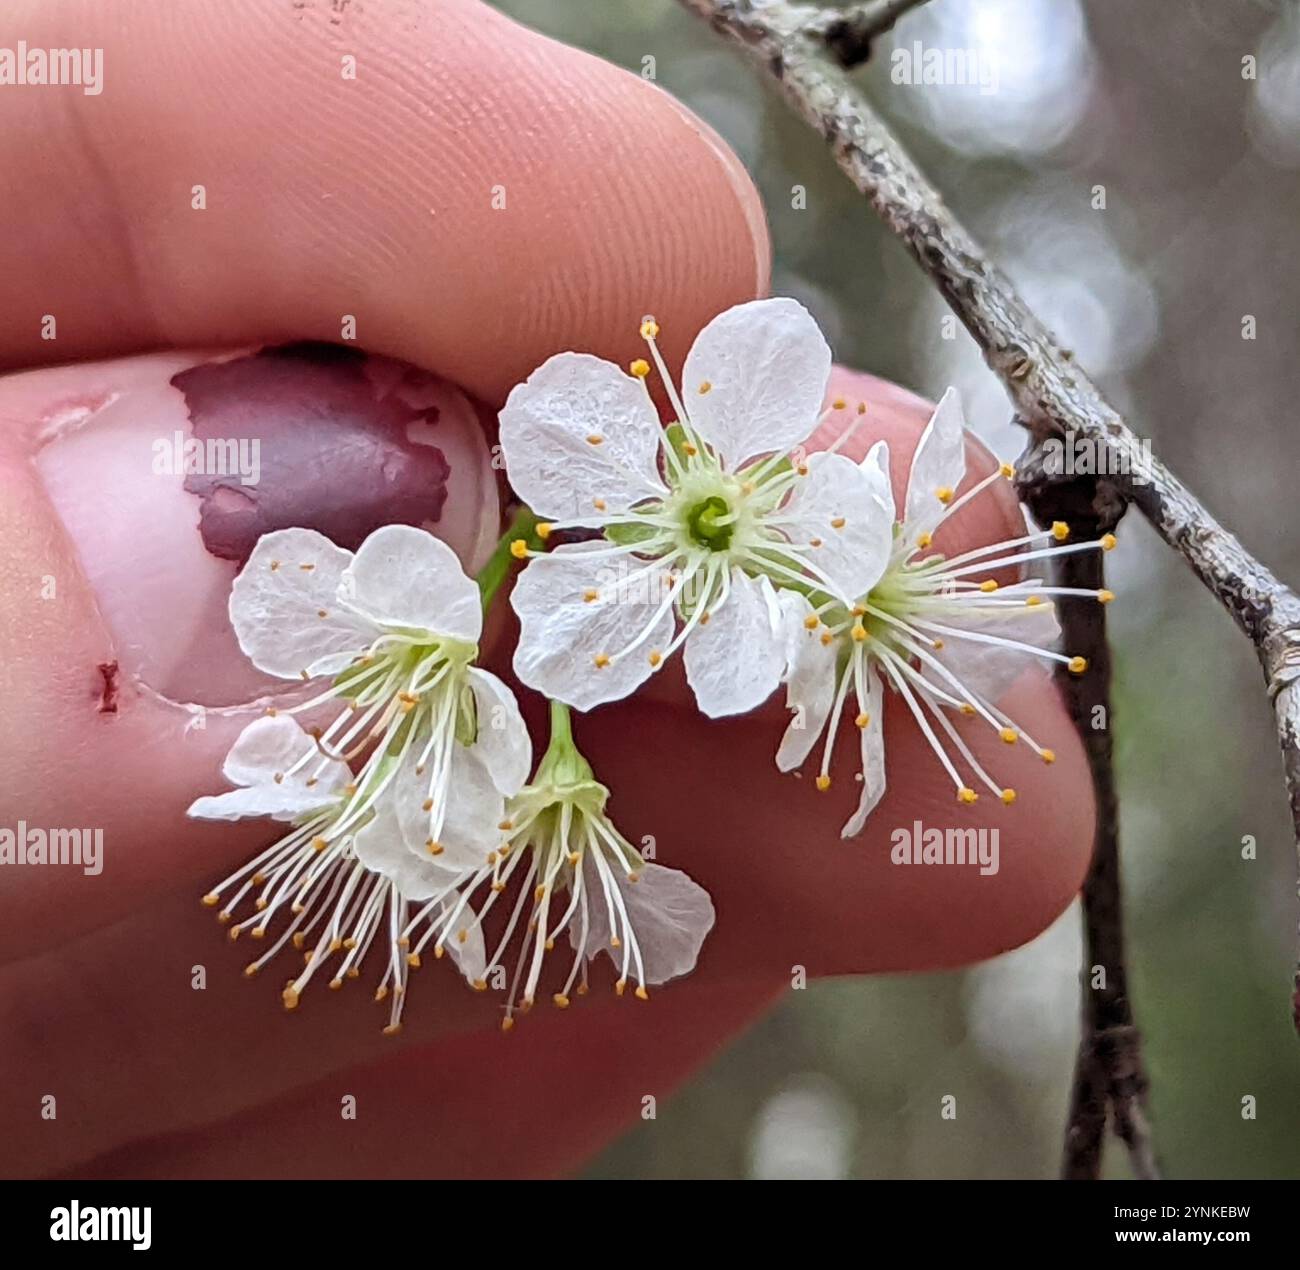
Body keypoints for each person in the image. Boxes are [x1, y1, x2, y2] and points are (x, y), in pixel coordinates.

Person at [0, 0, 1092, 1178]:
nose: (718, 515)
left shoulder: (744, 552)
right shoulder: (538, 542)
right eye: (714, 514)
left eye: (719, 518)